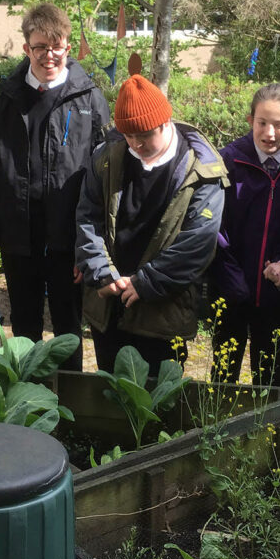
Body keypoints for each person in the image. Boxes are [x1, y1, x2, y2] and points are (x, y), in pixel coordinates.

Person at [0, 3, 109, 369]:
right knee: (25, 328)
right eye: (40, 47)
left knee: (67, 330)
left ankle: (69, 405)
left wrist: (91, 246)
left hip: (68, 242)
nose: (49, 55)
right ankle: (26, 404)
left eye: (56, 46)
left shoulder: (89, 98)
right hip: (19, 237)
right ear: (27, 48)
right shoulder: (9, 98)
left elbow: (105, 177)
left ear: (68, 47)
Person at [75, 73, 227, 377]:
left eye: (144, 134)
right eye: (128, 135)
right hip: (110, 303)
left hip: (162, 312)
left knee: (159, 404)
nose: (136, 143)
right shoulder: (105, 157)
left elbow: (198, 243)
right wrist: (103, 273)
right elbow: (86, 217)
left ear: (164, 122)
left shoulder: (204, 171)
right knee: (112, 393)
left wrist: (145, 283)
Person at [210, 83, 280, 387]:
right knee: (223, 375)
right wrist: (231, 278)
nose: (269, 133)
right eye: (262, 123)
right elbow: (213, 226)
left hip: (278, 294)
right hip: (230, 289)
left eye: (279, 125)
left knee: (270, 380)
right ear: (250, 121)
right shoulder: (228, 160)